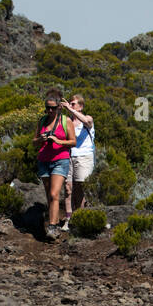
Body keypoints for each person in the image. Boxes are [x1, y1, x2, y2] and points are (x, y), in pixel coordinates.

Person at [33, 89, 76, 239]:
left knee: (54, 193)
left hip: (60, 159)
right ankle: (54, 222)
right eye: (47, 107)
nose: (49, 110)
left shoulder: (66, 121)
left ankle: (52, 227)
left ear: (59, 107)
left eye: (52, 107)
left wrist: (58, 141)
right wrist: (41, 140)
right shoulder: (42, 121)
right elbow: (34, 141)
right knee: (48, 195)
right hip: (44, 160)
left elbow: (73, 142)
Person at [61, 94, 94, 229]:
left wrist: (70, 110)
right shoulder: (68, 121)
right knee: (68, 188)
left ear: (80, 106)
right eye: (70, 103)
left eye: (73, 104)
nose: (71, 105)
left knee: (80, 186)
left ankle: (80, 215)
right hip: (68, 156)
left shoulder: (88, 119)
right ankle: (69, 219)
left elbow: (86, 122)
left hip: (84, 156)